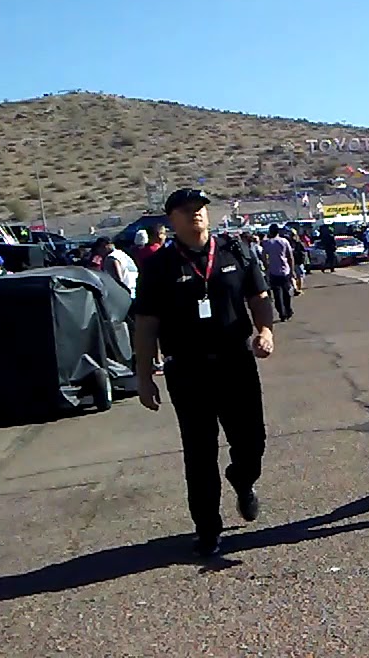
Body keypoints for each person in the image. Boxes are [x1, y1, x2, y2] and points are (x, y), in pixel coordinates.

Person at [132, 188, 276, 557]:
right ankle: (208, 529)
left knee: (252, 441)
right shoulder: (159, 266)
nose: (195, 214)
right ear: (171, 220)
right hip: (188, 369)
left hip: (235, 363)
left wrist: (265, 331)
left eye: (199, 208)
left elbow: (259, 297)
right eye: (185, 210)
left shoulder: (235, 251)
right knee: (200, 451)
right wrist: (144, 376)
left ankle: (242, 479)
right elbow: (146, 323)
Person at [262, 224, 294, 321]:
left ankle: (282, 313)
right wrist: (292, 270)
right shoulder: (284, 241)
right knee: (286, 293)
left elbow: (263, 256)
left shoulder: (267, 243)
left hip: (273, 271)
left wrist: (267, 266)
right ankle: (288, 310)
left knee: (277, 294)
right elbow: (290, 257)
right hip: (285, 271)